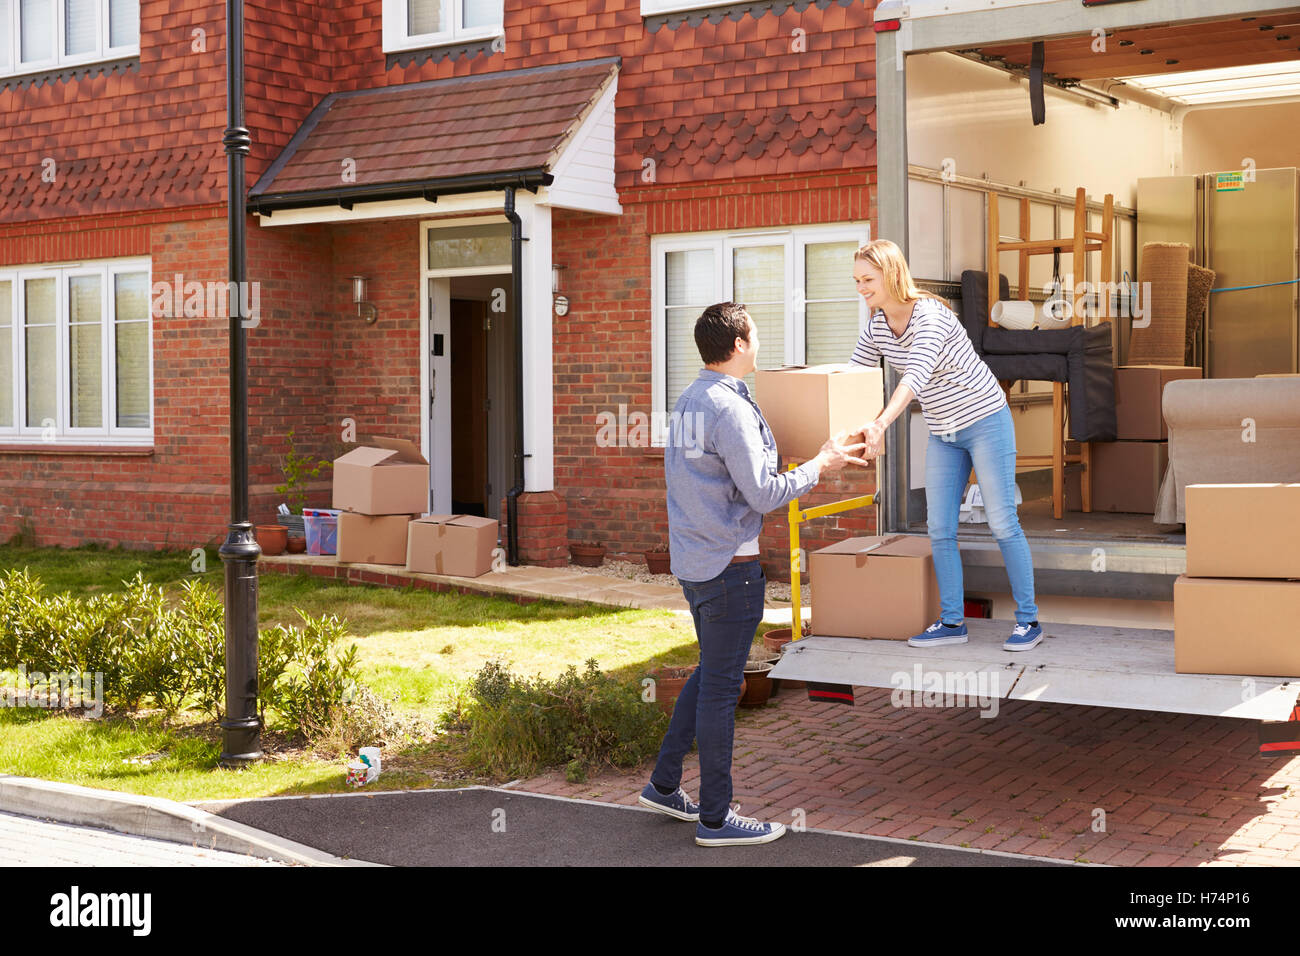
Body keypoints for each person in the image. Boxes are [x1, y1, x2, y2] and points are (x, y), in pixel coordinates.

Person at [638, 301, 866, 847]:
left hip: (696, 564)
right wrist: (821, 465)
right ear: (739, 343)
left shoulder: (691, 400)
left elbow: (725, 477)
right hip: (728, 570)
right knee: (721, 689)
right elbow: (763, 493)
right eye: (756, 335)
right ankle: (716, 819)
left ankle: (664, 785)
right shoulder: (730, 409)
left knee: (709, 673)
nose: (760, 343)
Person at [849, 239, 1042, 651]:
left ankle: (1029, 622)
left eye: (868, 279)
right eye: (857, 281)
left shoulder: (931, 316)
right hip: (944, 432)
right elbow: (854, 376)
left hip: (985, 422)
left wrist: (880, 424)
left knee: (1003, 521)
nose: (862, 288)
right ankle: (953, 622)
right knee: (939, 528)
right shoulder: (877, 325)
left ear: (891, 274)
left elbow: (914, 377)